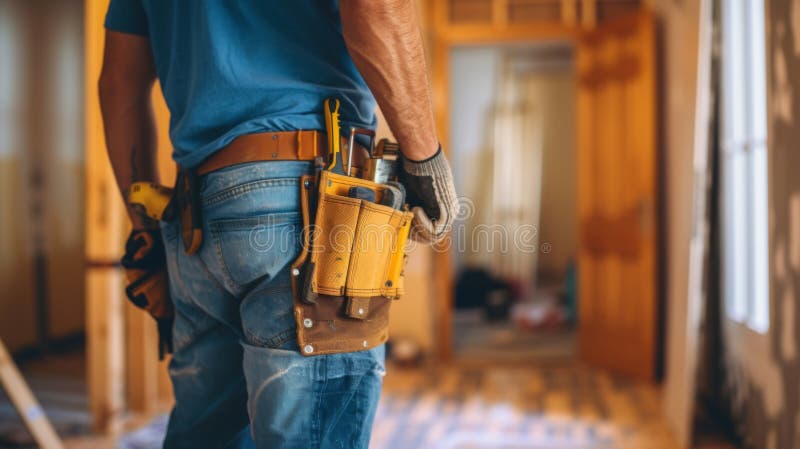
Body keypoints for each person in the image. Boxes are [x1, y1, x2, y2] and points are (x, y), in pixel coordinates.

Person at [98, 1, 458, 448]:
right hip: (309, 207)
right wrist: (424, 159)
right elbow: (379, 7)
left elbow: (118, 84)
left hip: (194, 219)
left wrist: (144, 229)